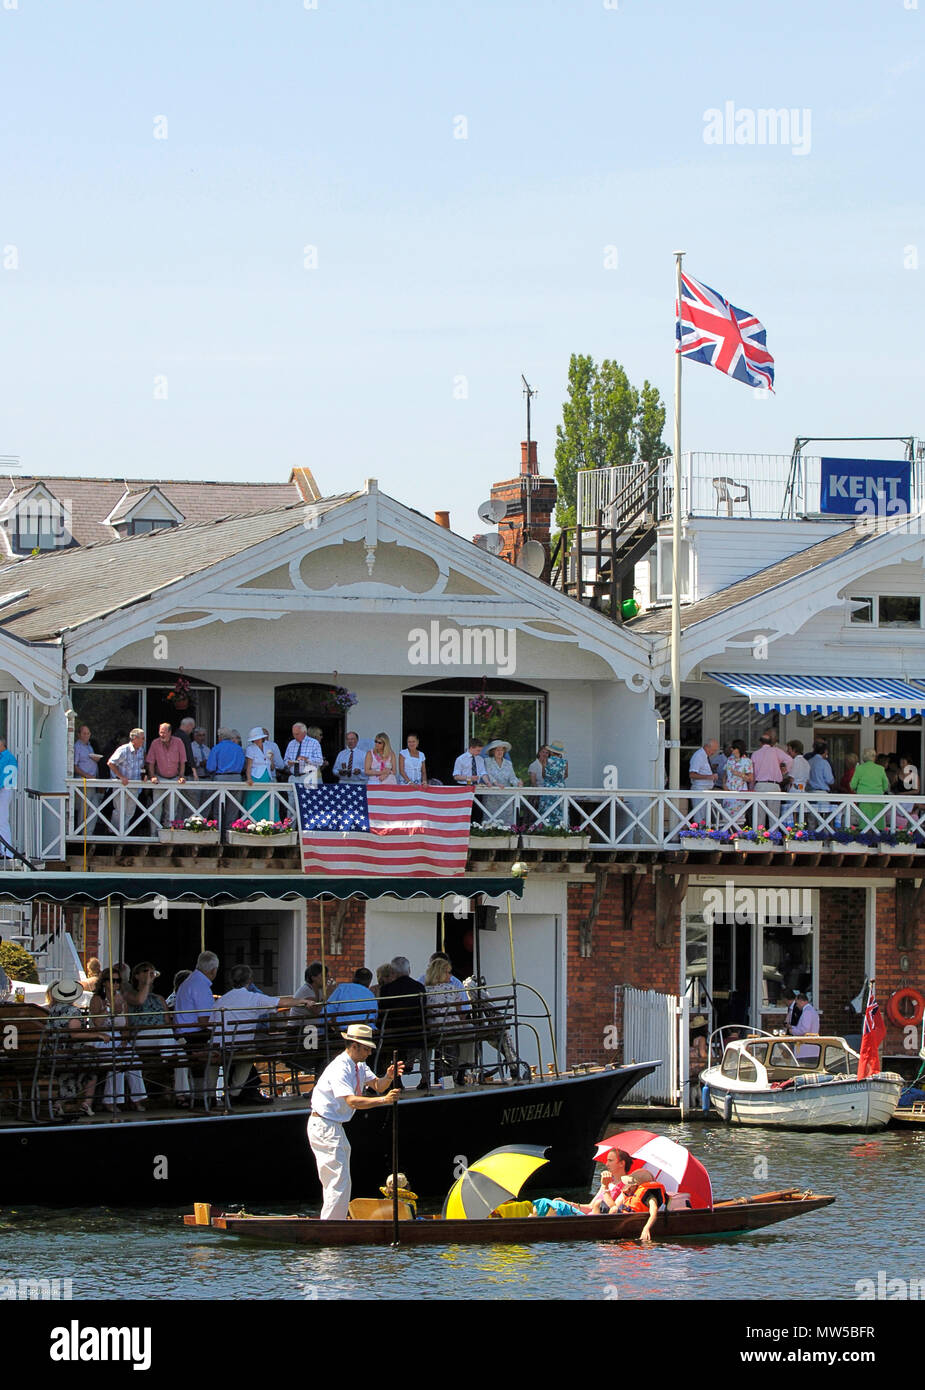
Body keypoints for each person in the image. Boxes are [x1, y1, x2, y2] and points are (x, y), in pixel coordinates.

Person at [307, 1023, 402, 1219]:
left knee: (339, 1179)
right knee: (338, 1180)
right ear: (354, 1046)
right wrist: (384, 1100)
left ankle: (333, 1222)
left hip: (333, 1126)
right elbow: (352, 1101)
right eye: (366, 1048)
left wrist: (388, 1076)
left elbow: (377, 1085)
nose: (369, 1053)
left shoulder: (359, 1066)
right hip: (324, 1125)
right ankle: (332, 1226)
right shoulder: (339, 1068)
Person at [209, 964, 303, 1104]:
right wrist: (303, 1001)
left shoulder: (221, 1001)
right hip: (239, 1048)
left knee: (215, 1056)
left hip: (218, 1047)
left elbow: (211, 1025)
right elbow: (280, 1002)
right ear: (250, 980)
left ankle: (209, 1094)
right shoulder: (253, 998)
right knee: (247, 1056)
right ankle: (234, 1092)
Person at [89, 968, 148, 1112]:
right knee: (117, 1062)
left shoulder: (122, 1000)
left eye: (118, 981)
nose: (115, 984)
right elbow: (96, 1023)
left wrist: (124, 1040)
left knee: (133, 1059)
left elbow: (126, 1024)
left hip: (118, 1038)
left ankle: (137, 1098)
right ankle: (111, 1100)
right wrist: (110, 1008)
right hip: (102, 1038)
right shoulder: (97, 999)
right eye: (112, 980)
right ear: (104, 982)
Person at [173, 951, 220, 1107]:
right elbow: (204, 1021)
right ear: (213, 970)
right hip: (193, 1036)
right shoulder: (200, 986)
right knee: (226, 1047)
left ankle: (207, 1094)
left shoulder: (191, 981)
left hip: (186, 1034)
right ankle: (206, 1095)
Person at [377, 955, 428, 1087]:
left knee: (382, 1042)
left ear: (393, 972)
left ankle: (393, 1079)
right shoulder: (419, 987)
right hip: (418, 1035)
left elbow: (382, 1015)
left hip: (394, 1036)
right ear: (409, 970)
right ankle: (416, 1076)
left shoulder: (386, 989)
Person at [614, 1168, 666, 1242]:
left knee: (614, 1210)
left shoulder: (650, 1197)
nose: (628, 1187)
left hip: (632, 1221)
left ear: (638, 1186)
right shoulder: (630, 1193)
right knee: (600, 1204)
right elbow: (615, 1205)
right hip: (624, 1218)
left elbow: (654, 1214)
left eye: (631, 1185)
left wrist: (646, 1228)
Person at [483, 739, 521, 827]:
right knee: (491, 822)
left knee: (507, 823)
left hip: (506, 797)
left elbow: (512, 777)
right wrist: (496, 783)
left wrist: (518, 783)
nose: (500, 752)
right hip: (492, 797)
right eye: (497, 750)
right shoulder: (487, 761)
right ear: (493, 751)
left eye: (502, 750)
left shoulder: (508, 763)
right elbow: (488, 775)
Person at [850, 748, 890, 832]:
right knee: (878, 825)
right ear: (874, 757)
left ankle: (865, 842)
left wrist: (857, 789)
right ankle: (878, 842)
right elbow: (886, 786)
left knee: (865, 825)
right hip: (878, 799)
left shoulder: (859, 769)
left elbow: (852, 785)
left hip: (864, 800)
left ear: (863, 757)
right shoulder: (880, 769)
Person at [243, 727, 274, 820]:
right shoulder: (250, 749)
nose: (256, 740)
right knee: (255, 800)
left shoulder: (268, 748)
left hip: (267, 776)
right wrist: (249, 778)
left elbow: (272, 767)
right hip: (256, 776)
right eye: (255, 739)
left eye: (258, 738)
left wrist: (272, 759)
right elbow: (249, 765)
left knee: (266, 800)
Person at [722, 739, 754, 821]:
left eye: (733, 747)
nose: (731, 749)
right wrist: (724, 784)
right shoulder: (729, 760)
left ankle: (738, 833)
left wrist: (739, 774)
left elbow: (750, 778)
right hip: (728, 790)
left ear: (738, 749)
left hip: (740, 791)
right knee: (726, 817)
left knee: (738, 818)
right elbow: (725, 774)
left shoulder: (747, 761)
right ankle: (727, 833)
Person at [540, 740, 568, 828]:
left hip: (548, 789)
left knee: (546, 811)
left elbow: (544, 775)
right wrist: (558, 781)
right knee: (560, 810)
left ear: (551, 751)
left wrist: (551, 780)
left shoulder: (546, 760)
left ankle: (545, 830)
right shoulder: (565, 762)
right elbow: (566, 775)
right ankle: (561, 829)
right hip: (560, 789)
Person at [787, 991, 821, 1059]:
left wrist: (792, 1031)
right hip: (811, 1048)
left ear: (801, 1001)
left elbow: (805, 1030)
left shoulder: (807, 1012)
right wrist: (792, 1027)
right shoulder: (811, 1010)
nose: (796, 1005)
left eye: (797, 1003)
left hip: (806, 1050)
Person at [0, 737, 18, 857]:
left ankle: (7, 852)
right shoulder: (10, 757)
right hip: (7, 790)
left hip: (4, 790)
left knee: (2, 821)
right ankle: (5, 851)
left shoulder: (4, 758)